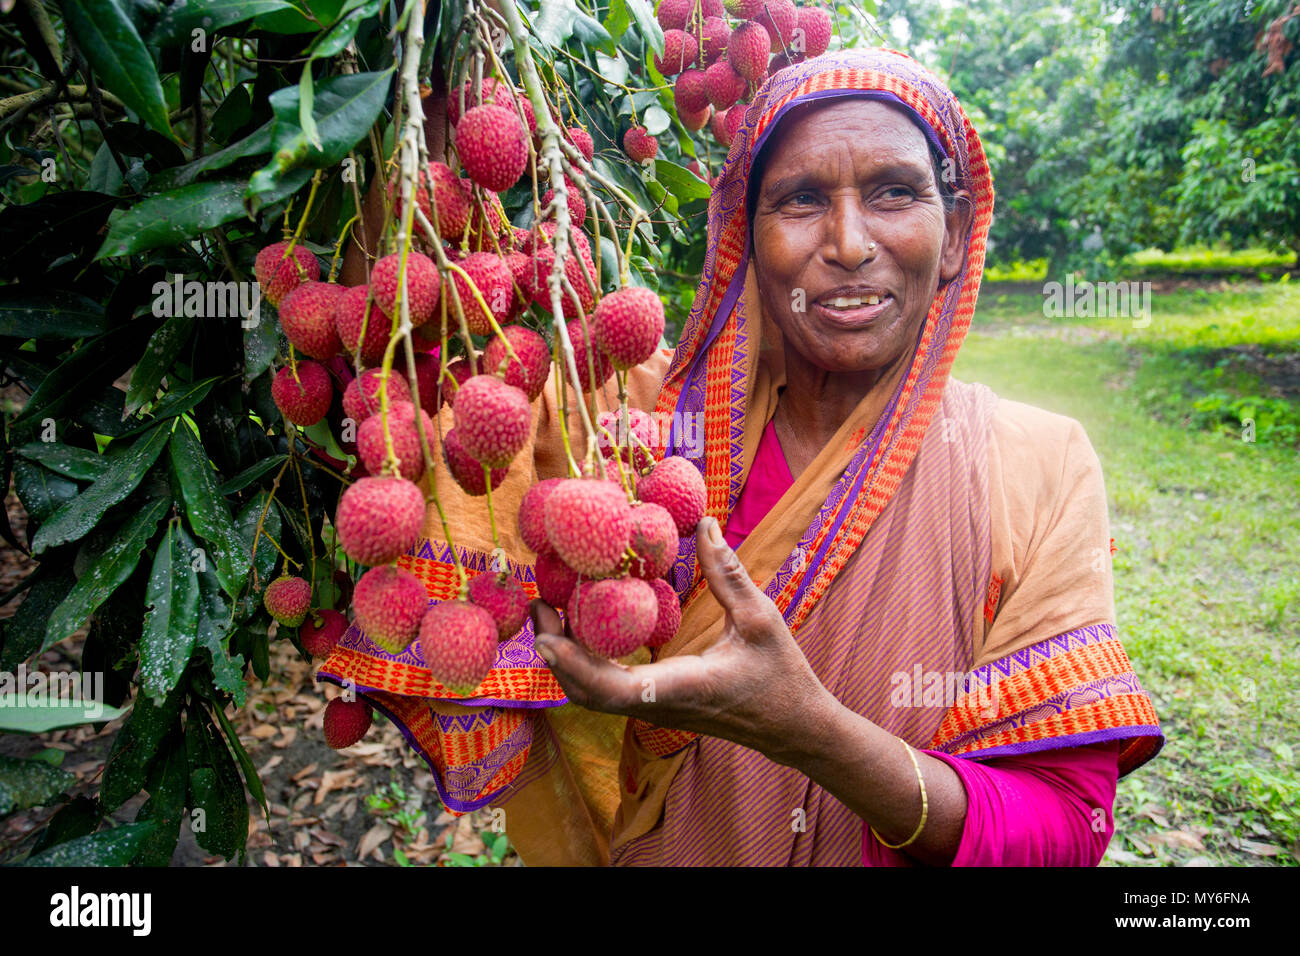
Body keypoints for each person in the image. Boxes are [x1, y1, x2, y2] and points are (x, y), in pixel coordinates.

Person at [319, 47, 1163, 866]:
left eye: (896, 192)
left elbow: (1066, 822)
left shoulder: (1038, 466)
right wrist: (429, 102)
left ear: (952, 241)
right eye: (798, 201)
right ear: (747, 243)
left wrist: (811, 733)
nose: (848, 242)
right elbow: (408, 366)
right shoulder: (640, 424)